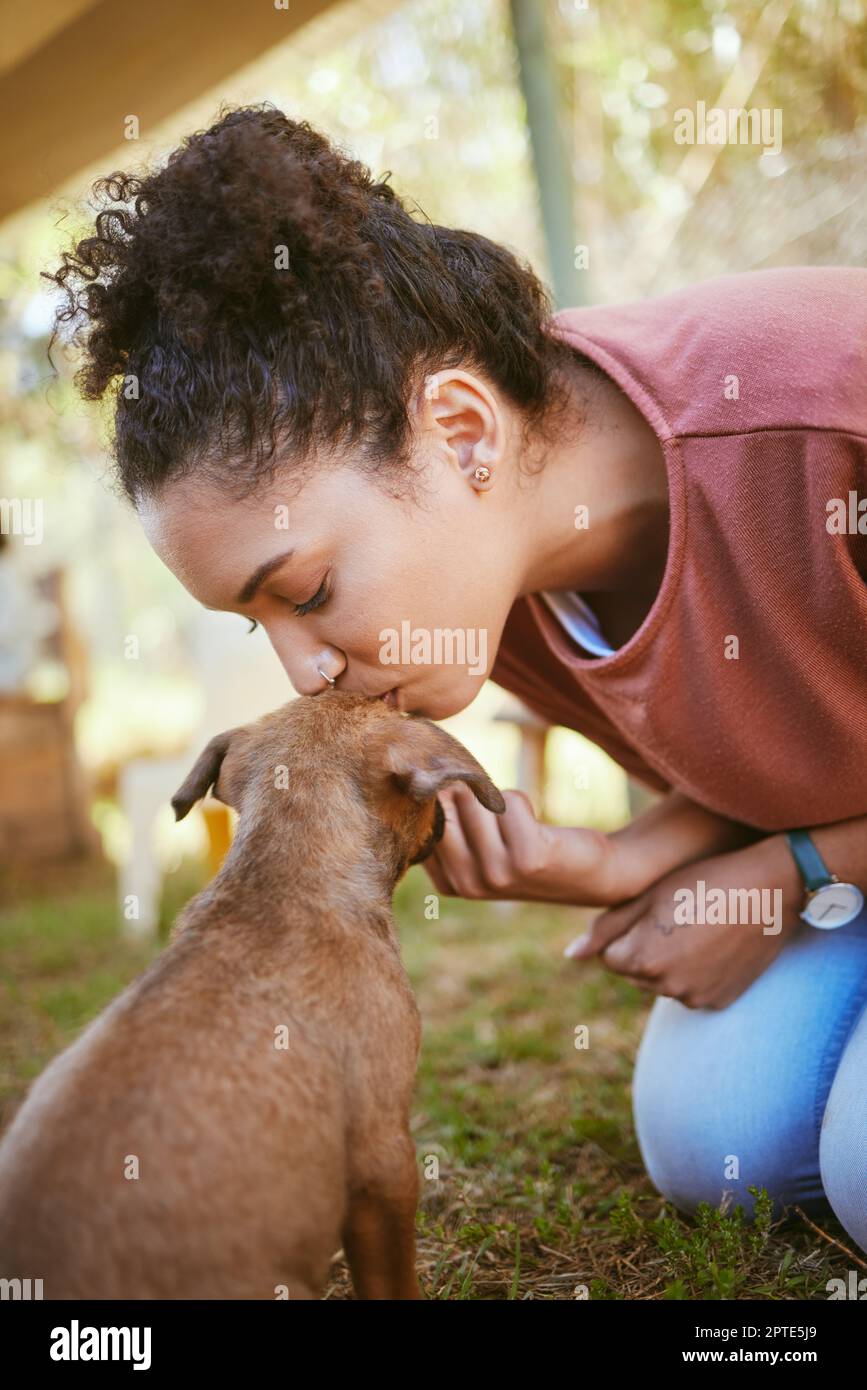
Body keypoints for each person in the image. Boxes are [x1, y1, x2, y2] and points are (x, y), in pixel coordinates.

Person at [47, 104, 867, 1251]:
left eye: (312, 591)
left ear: (464, 432)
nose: (306, 669)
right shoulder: (493, 579)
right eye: (257, 624)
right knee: (712, 1144)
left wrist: (793, 874)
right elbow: (806, 725)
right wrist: (622, 858)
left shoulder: (826, 418)